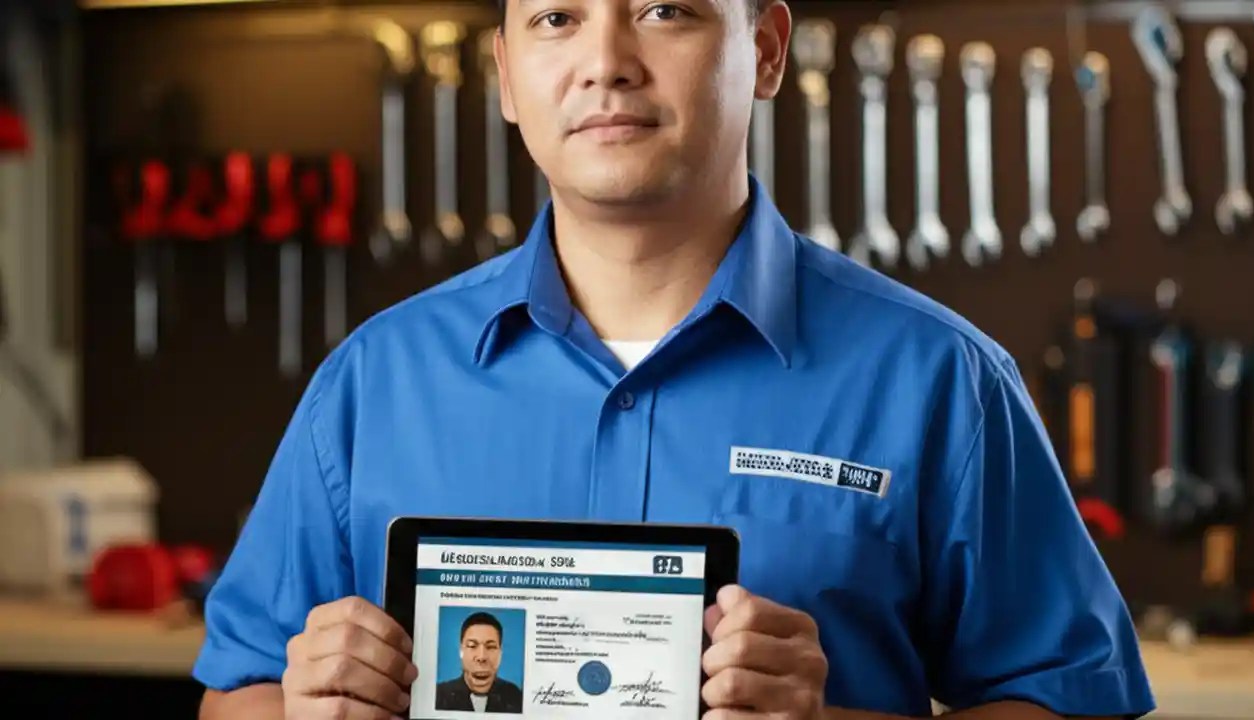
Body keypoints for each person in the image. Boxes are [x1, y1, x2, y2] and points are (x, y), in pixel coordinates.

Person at [195, 0, 1157, 718]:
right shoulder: (374, 382)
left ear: (765, 50)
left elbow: (1074, 702)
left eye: (665, 11)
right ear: (506, 76)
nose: (606, 64)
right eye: (558, 19)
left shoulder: (942, 382)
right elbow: (236, 691)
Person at [434, 612, 523, 713]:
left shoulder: (516, 696)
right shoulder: (439, 695)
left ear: (500, 653)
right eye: (472, 646)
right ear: (461, 651)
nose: (481, 657)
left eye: (490, 647)